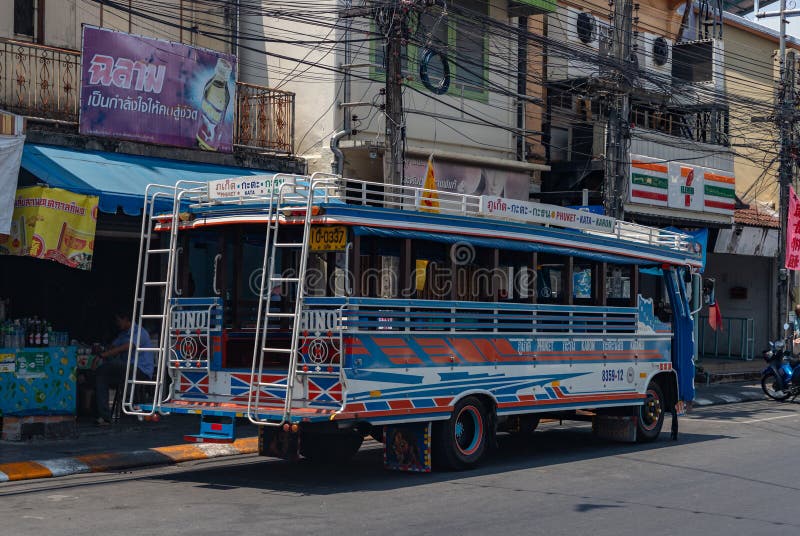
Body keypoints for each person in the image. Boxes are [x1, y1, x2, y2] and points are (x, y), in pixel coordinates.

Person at [94, 310, 155, 425]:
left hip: (140, 371)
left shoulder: (140, 332)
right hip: (126, 370)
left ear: (126, 319)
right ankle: (105, 416)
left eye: (118, 321)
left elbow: (126, 347)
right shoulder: (123, 335)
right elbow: (112, 347)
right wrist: (101, 350)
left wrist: (103, 355)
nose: (117, 324)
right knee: (101, 374)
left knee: (107, 367)